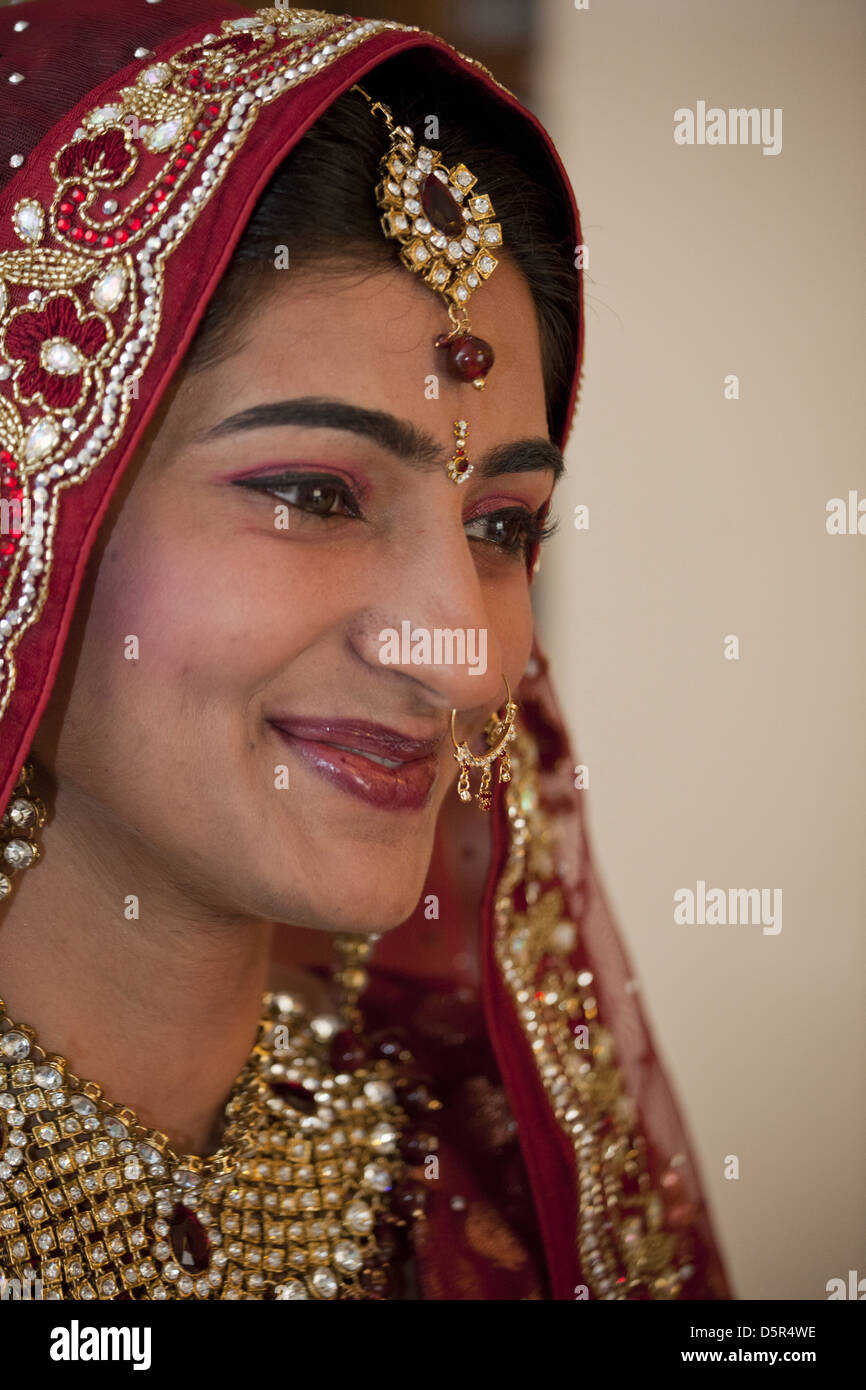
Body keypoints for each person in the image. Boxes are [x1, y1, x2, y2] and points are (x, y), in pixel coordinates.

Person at [0, 0, 731, 1300]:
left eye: (502, 523)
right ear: (32, 503)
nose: (456, 655)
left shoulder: (477, 1193)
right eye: (315, 495)